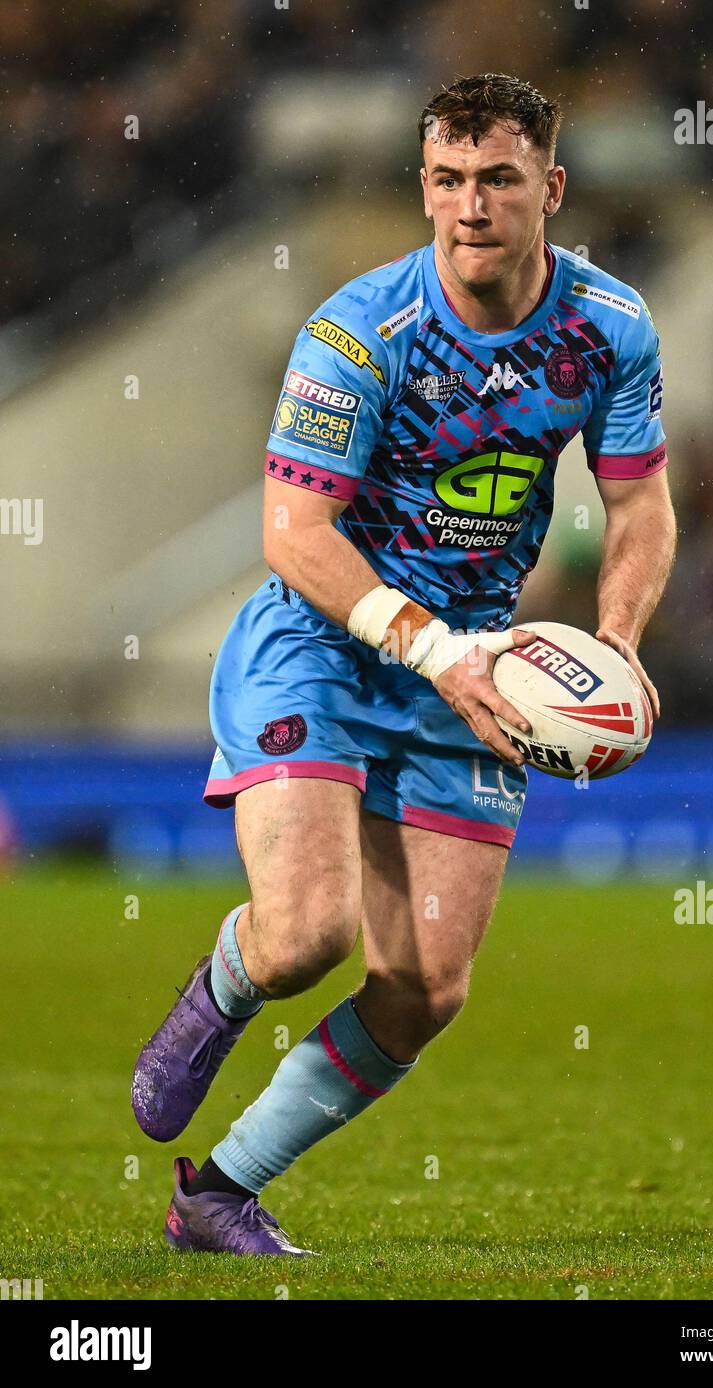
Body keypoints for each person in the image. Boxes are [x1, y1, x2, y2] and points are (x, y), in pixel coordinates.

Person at [132, 72, 676, 1256]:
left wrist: (616, 644)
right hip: (323, 648)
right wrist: (430, 648)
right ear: (422, 187)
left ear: (552, 189)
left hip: (476, 669)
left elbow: (637, 509)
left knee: (426, 987)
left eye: (497, 180)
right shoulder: (354, 332)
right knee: (305, 936)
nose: (468, 207)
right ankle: (224, 990)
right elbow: (293, 533)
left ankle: (215, 1194)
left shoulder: (608, 327)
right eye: (445, 180)